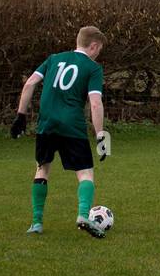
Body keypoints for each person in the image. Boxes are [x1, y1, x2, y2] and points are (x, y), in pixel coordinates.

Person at [11, 25, 111, 237]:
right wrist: (100, 134)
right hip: (72, 126)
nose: (98, 54)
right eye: (99, 49)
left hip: (46, 124)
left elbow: (29, 84)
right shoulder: (93, 69)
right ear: (93, 46)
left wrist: (21, 116)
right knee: (85, 172)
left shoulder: (53, 58)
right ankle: (84, 215)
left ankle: (36, 223)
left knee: (42, 169)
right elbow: (95, 103)